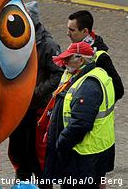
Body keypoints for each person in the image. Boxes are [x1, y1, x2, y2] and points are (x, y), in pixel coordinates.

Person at [43, 42, 115, 189]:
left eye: (67, 59)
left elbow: (80, 124)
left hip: (83, 155)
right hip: (96, 149)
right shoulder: (94, 74)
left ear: (80, 60)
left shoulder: (88, 86)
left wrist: (61, 142)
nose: (63, 63)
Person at [8, 2, 62, 187]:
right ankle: (22, 181)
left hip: (38, 109)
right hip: (20, 108)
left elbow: (58, 74)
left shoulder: (48, 44)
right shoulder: (18, 40)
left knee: (38, 156)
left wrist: (35, 93)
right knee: (18, 151)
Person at [67, 10, 124, 102]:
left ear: (85, 31)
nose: (67, 33)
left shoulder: (100, 57)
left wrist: (92, 103)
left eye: (72, 30)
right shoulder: (75, 47)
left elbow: (118, 89)